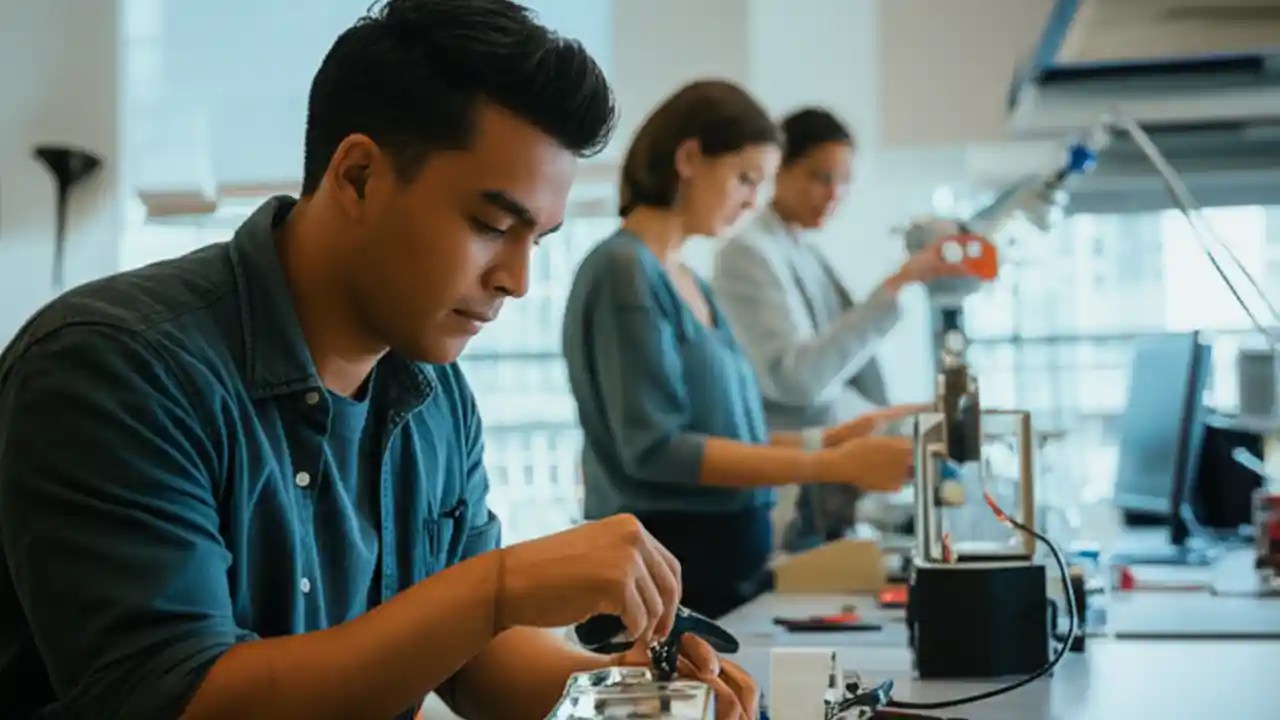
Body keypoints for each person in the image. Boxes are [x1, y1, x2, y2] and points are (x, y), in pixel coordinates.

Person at [0, 3, 759, 718]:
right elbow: (176, 699)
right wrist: (497, 587)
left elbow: (469, 660)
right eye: (494, 224)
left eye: (540, 240)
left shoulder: (434, 392)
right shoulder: (115, 369)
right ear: (357, 176)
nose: (517, 280)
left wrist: (630, 691)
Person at [561, 82, 918, 621]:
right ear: (688, 159)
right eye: (745, 179)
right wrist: (829, 462)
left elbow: (726, 437)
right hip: (666, 580)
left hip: (721, 577)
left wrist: (836, 436)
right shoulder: (624, 271)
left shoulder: (689, 281)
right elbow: (657, 450)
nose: (754, 200)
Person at [709, 108, 972, 553]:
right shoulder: (746, 255)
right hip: (786, 483)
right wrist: (898, 283)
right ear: (781, 171)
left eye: (844, 181)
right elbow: (798, 381)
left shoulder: (805, 254)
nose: (834, 194)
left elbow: (846, 372)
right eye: (821, 177)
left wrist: (895, 423)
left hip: (821, 481)